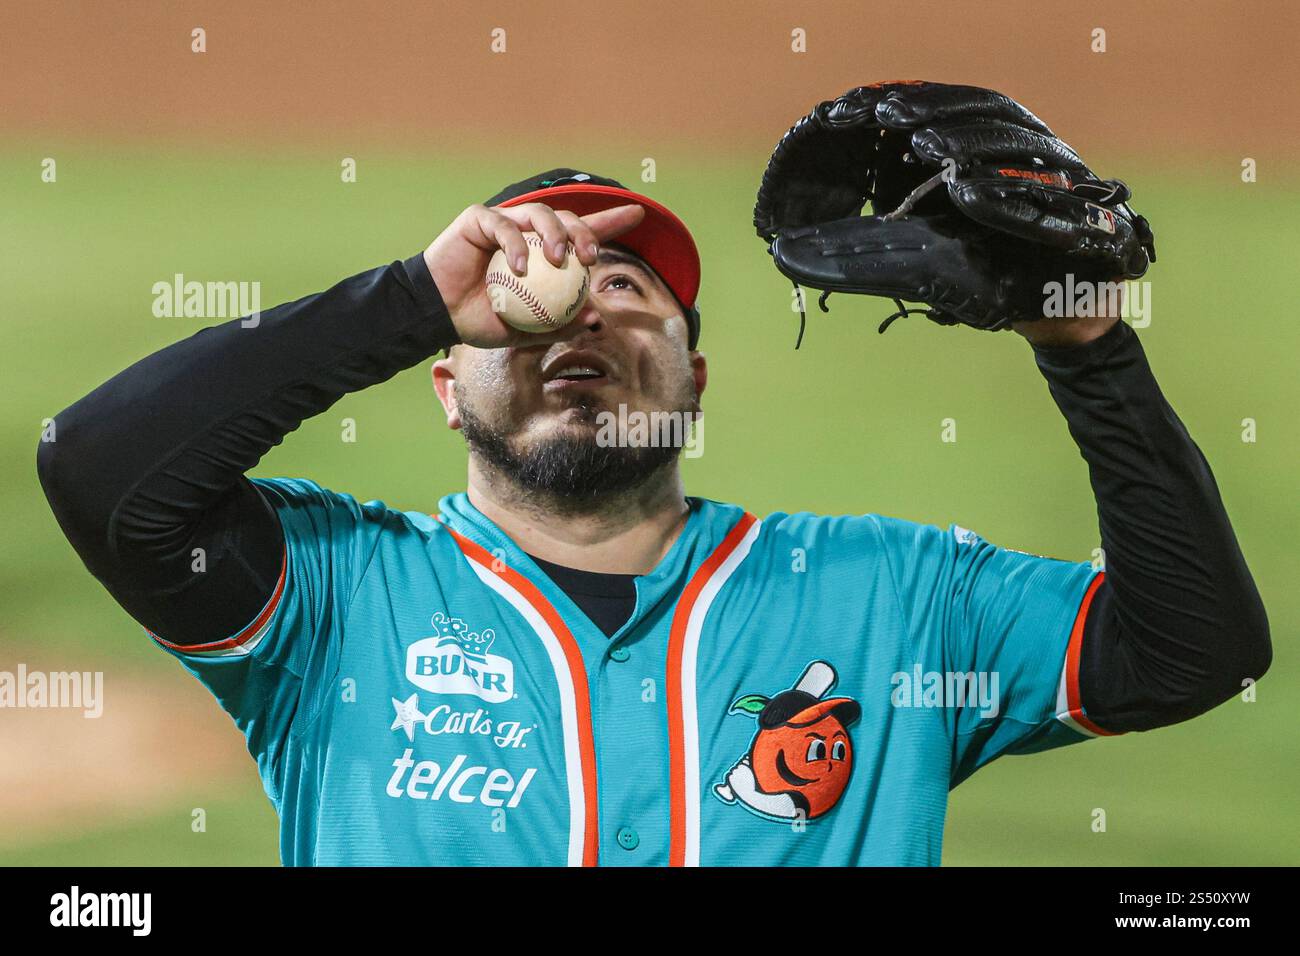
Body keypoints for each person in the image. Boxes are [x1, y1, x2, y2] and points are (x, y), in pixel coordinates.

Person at [37, 168, 1270, 866]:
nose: (576, 313)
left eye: (627, 292)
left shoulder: (893, 598)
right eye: (530, 288)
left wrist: (1087, 345)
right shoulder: (331, 595)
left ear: (692, 377)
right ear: (444, 383)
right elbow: (100, 466)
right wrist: (416, 295)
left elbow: (1192, 646)